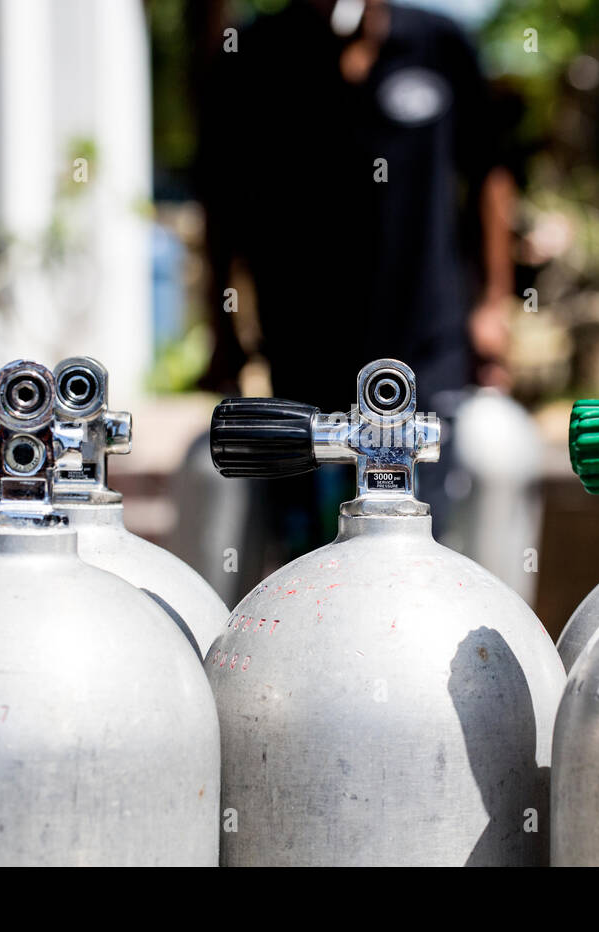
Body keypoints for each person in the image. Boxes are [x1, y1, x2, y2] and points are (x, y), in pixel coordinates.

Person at [198, 0, 515, 555]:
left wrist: (493, 305)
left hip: (426, 343)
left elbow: (490, 173)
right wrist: (221, 331)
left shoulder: (440, 45)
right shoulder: (256, 53)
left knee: (419, 529)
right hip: (301, 346)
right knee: (300, 539)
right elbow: (222, 203)